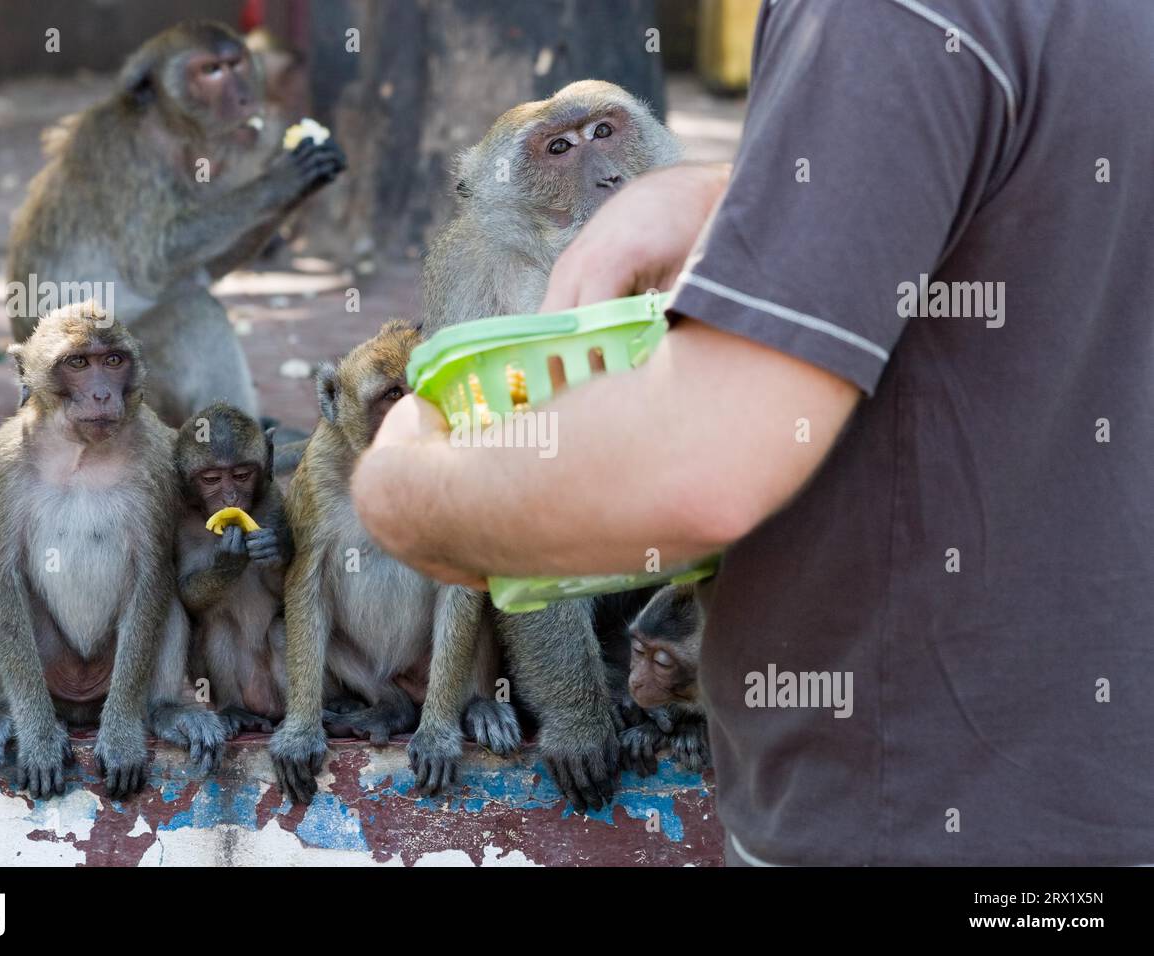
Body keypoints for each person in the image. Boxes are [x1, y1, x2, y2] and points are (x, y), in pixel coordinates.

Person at [351, 0, 1154, 865]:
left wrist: (403, 496)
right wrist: (737, 193)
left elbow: (705, 474)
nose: (596, 175)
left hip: (905, 807)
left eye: (607, 136)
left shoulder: (876, 20)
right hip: (1086, 779)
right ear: (488, 189)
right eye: (557, 152)